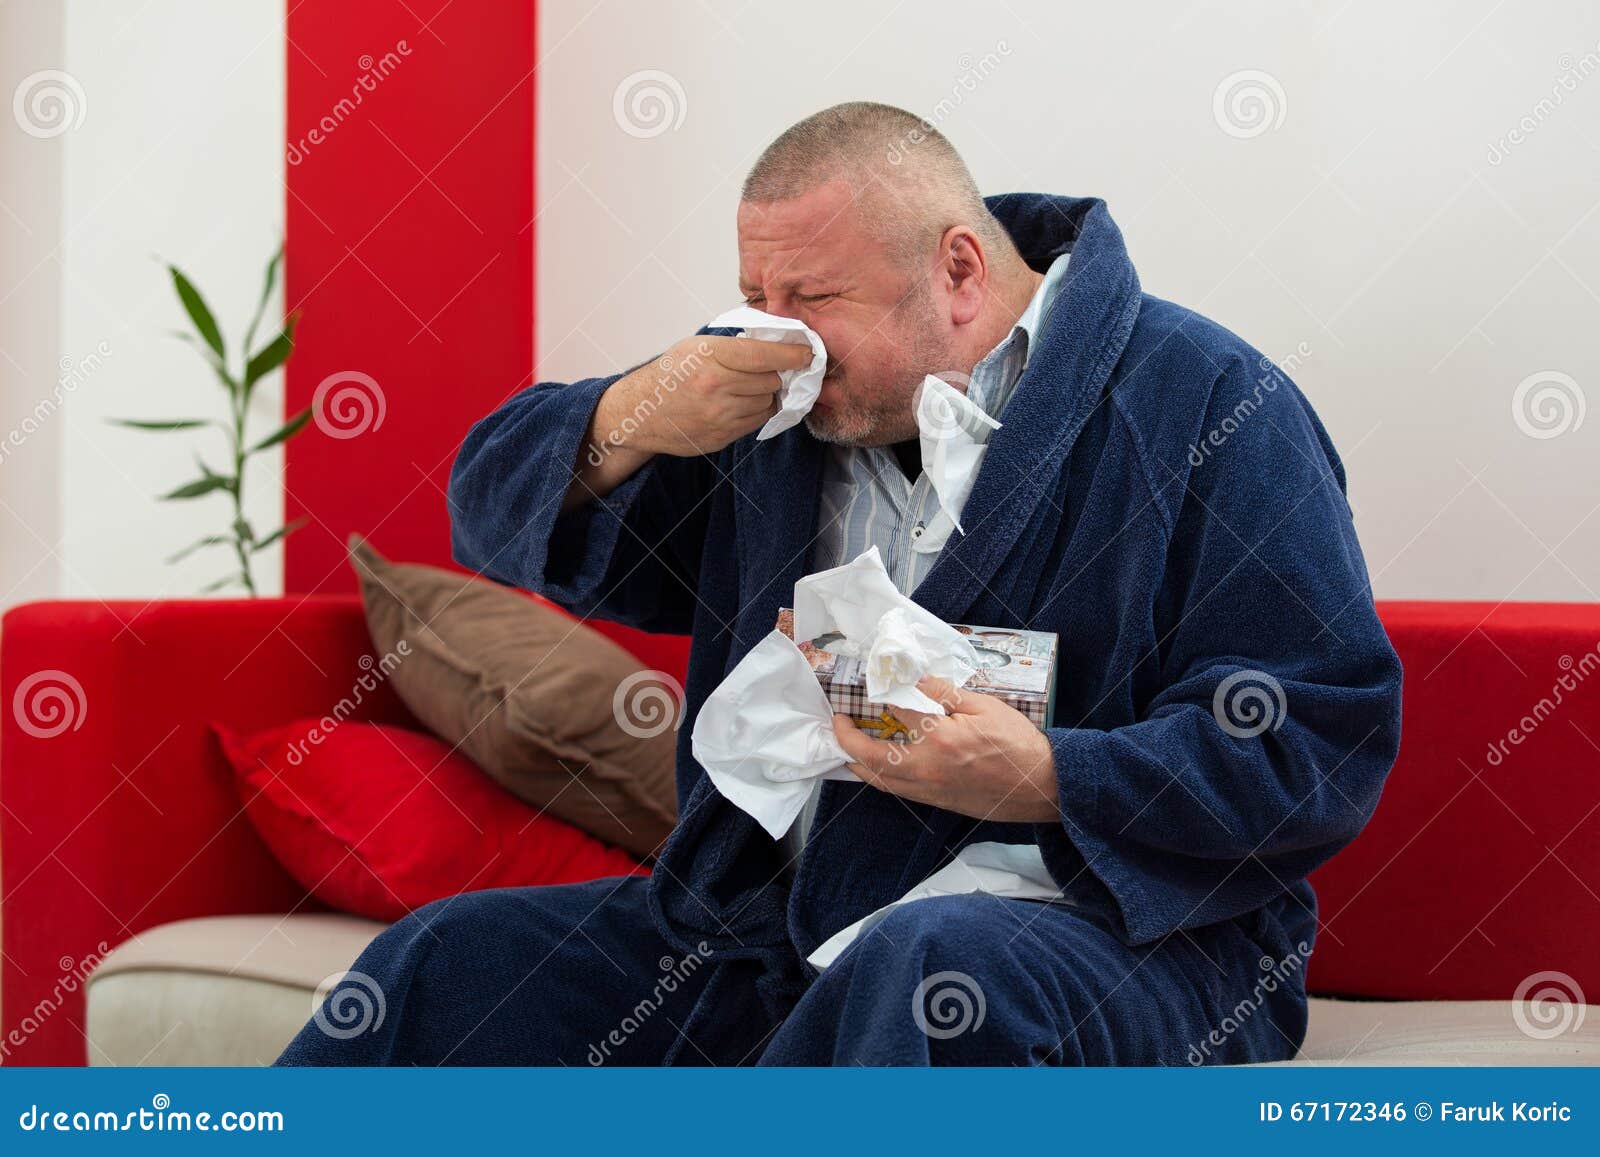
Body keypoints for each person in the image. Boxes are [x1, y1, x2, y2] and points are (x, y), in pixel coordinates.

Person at [277, 101, 1402, 1067]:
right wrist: (632, 412)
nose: (775, 332)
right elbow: (487, 507)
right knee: (443, 964)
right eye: (752, 290)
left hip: (1120, 936)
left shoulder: (1209, 404)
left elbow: (1316, 738)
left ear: (957, 269)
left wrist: (1052, 775)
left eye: (808, 296)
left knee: (927, 972)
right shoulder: (779, 411)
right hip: (775, 928)